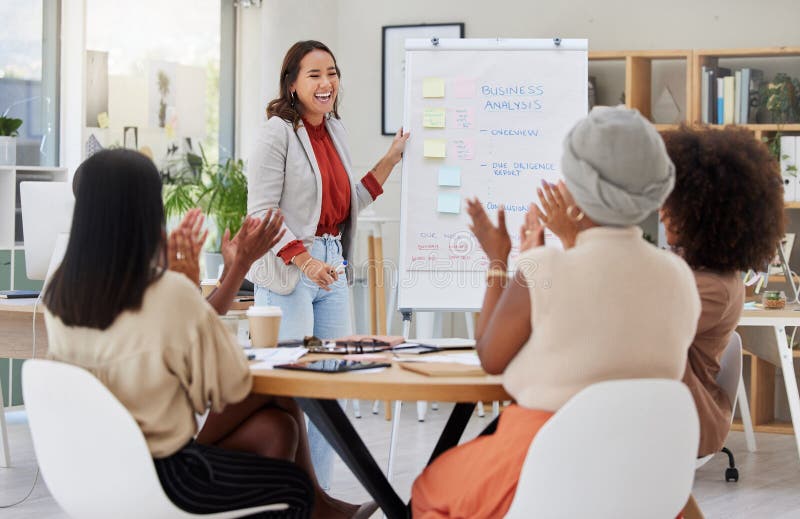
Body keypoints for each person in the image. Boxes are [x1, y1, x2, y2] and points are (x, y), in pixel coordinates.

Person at [411, 106, 702, 518]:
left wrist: (498, 260)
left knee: (428, 491)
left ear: (578, 187)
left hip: (542, 458)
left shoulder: (545, 268)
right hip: (639, 471)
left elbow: (491, 357)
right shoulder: (678, 276)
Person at [43, 149, 366, 519]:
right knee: (289, 469)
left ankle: (323, 507)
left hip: (90, 470)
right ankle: (321, 506)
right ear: (147, 212)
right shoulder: (163, 292)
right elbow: (227, 385)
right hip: (165, 474)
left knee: (277, 430)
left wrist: (221, 273)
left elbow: (173, 331)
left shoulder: (59, 293)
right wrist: (192, 284)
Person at [246, 40, 408, 488]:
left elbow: (344, 202)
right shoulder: (276, 132)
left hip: (331, 264)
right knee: (295, 389)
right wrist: (303, 260)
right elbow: (260, 212)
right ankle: (287, 494)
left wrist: (390, 160)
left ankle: (320, 496)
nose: (326, 83)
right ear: (293, 83)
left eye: (332, 73)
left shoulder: (335, 131)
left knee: (329, 390)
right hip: (289, 272)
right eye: (314, 74)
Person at [659, 125, 785, 457]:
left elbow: (641, 334)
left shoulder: (713, 287)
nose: (661, 213)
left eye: (671, 204)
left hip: (689, 417)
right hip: (667, 404)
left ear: (704, 213)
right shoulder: (696, 269)